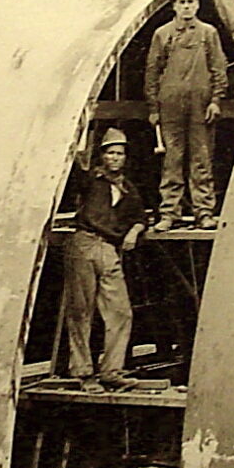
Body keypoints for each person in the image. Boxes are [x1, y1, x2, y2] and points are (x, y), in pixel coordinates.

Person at [61, 126, 145, 391]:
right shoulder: (90, 181)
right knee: (80, 311)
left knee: (120, 311)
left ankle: (111, 371)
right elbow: (78, 168)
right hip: (84, 243)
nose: (115, 158)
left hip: (109, 249)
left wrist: (134, 231)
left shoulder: (128, 189)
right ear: (102, 156)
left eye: (120, 153)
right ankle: (83, 373)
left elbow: (141, 217)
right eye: (110, 153)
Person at [145, 0, 228, 231]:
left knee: (201, 159)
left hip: (200, 105)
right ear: (174, 7)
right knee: (172, 160)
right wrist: (153, 107)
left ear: (198, 5)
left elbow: (218, 69)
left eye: (191, 2)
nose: (186, 7)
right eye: (181, 3)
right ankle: (170, 213)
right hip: (170, 104)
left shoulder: (208, 33)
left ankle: (203, 212)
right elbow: (152, 72)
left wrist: (215, 101)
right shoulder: (162, 34)